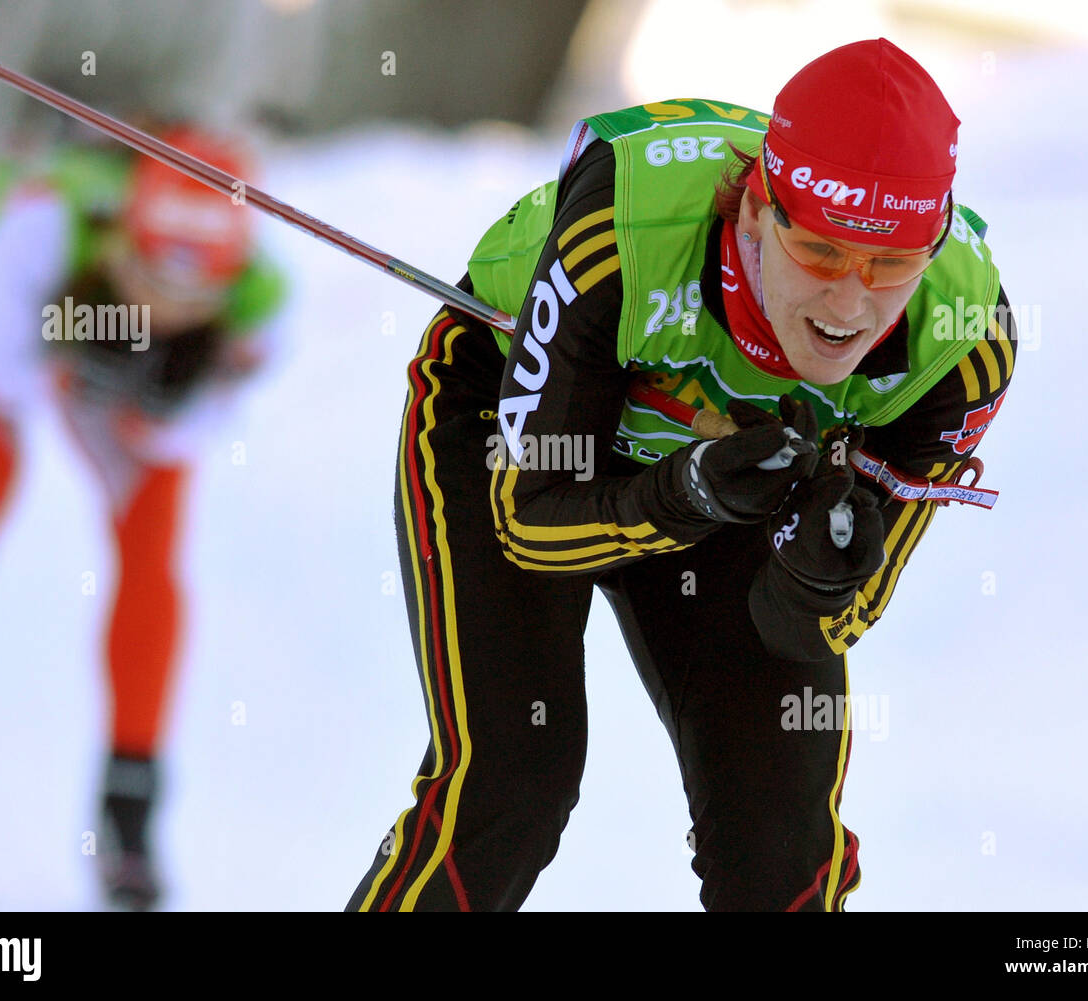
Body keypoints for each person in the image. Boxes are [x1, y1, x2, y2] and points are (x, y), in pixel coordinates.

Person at [348, 38, 1016, 911]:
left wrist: (814, 565)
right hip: (518, 417)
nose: (850, 304)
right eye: (819, 251)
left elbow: (825, 620)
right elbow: (529, 519)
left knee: (780, 847)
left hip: (736, 481)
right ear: (755, 212)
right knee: (510, 782)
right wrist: (687, 491)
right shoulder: (627, 232)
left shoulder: (961, 339)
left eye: (890, 264)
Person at [0, 126, 285, 910]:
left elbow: (197, 431)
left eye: (194, 299)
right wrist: (77, 363)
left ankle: (128, 811)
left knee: (154, 533)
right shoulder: (39, 227)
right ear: (119, 243)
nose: (168, 310)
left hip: (81, 350)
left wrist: (151, 410)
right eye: (151, 278)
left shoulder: (263, 300)